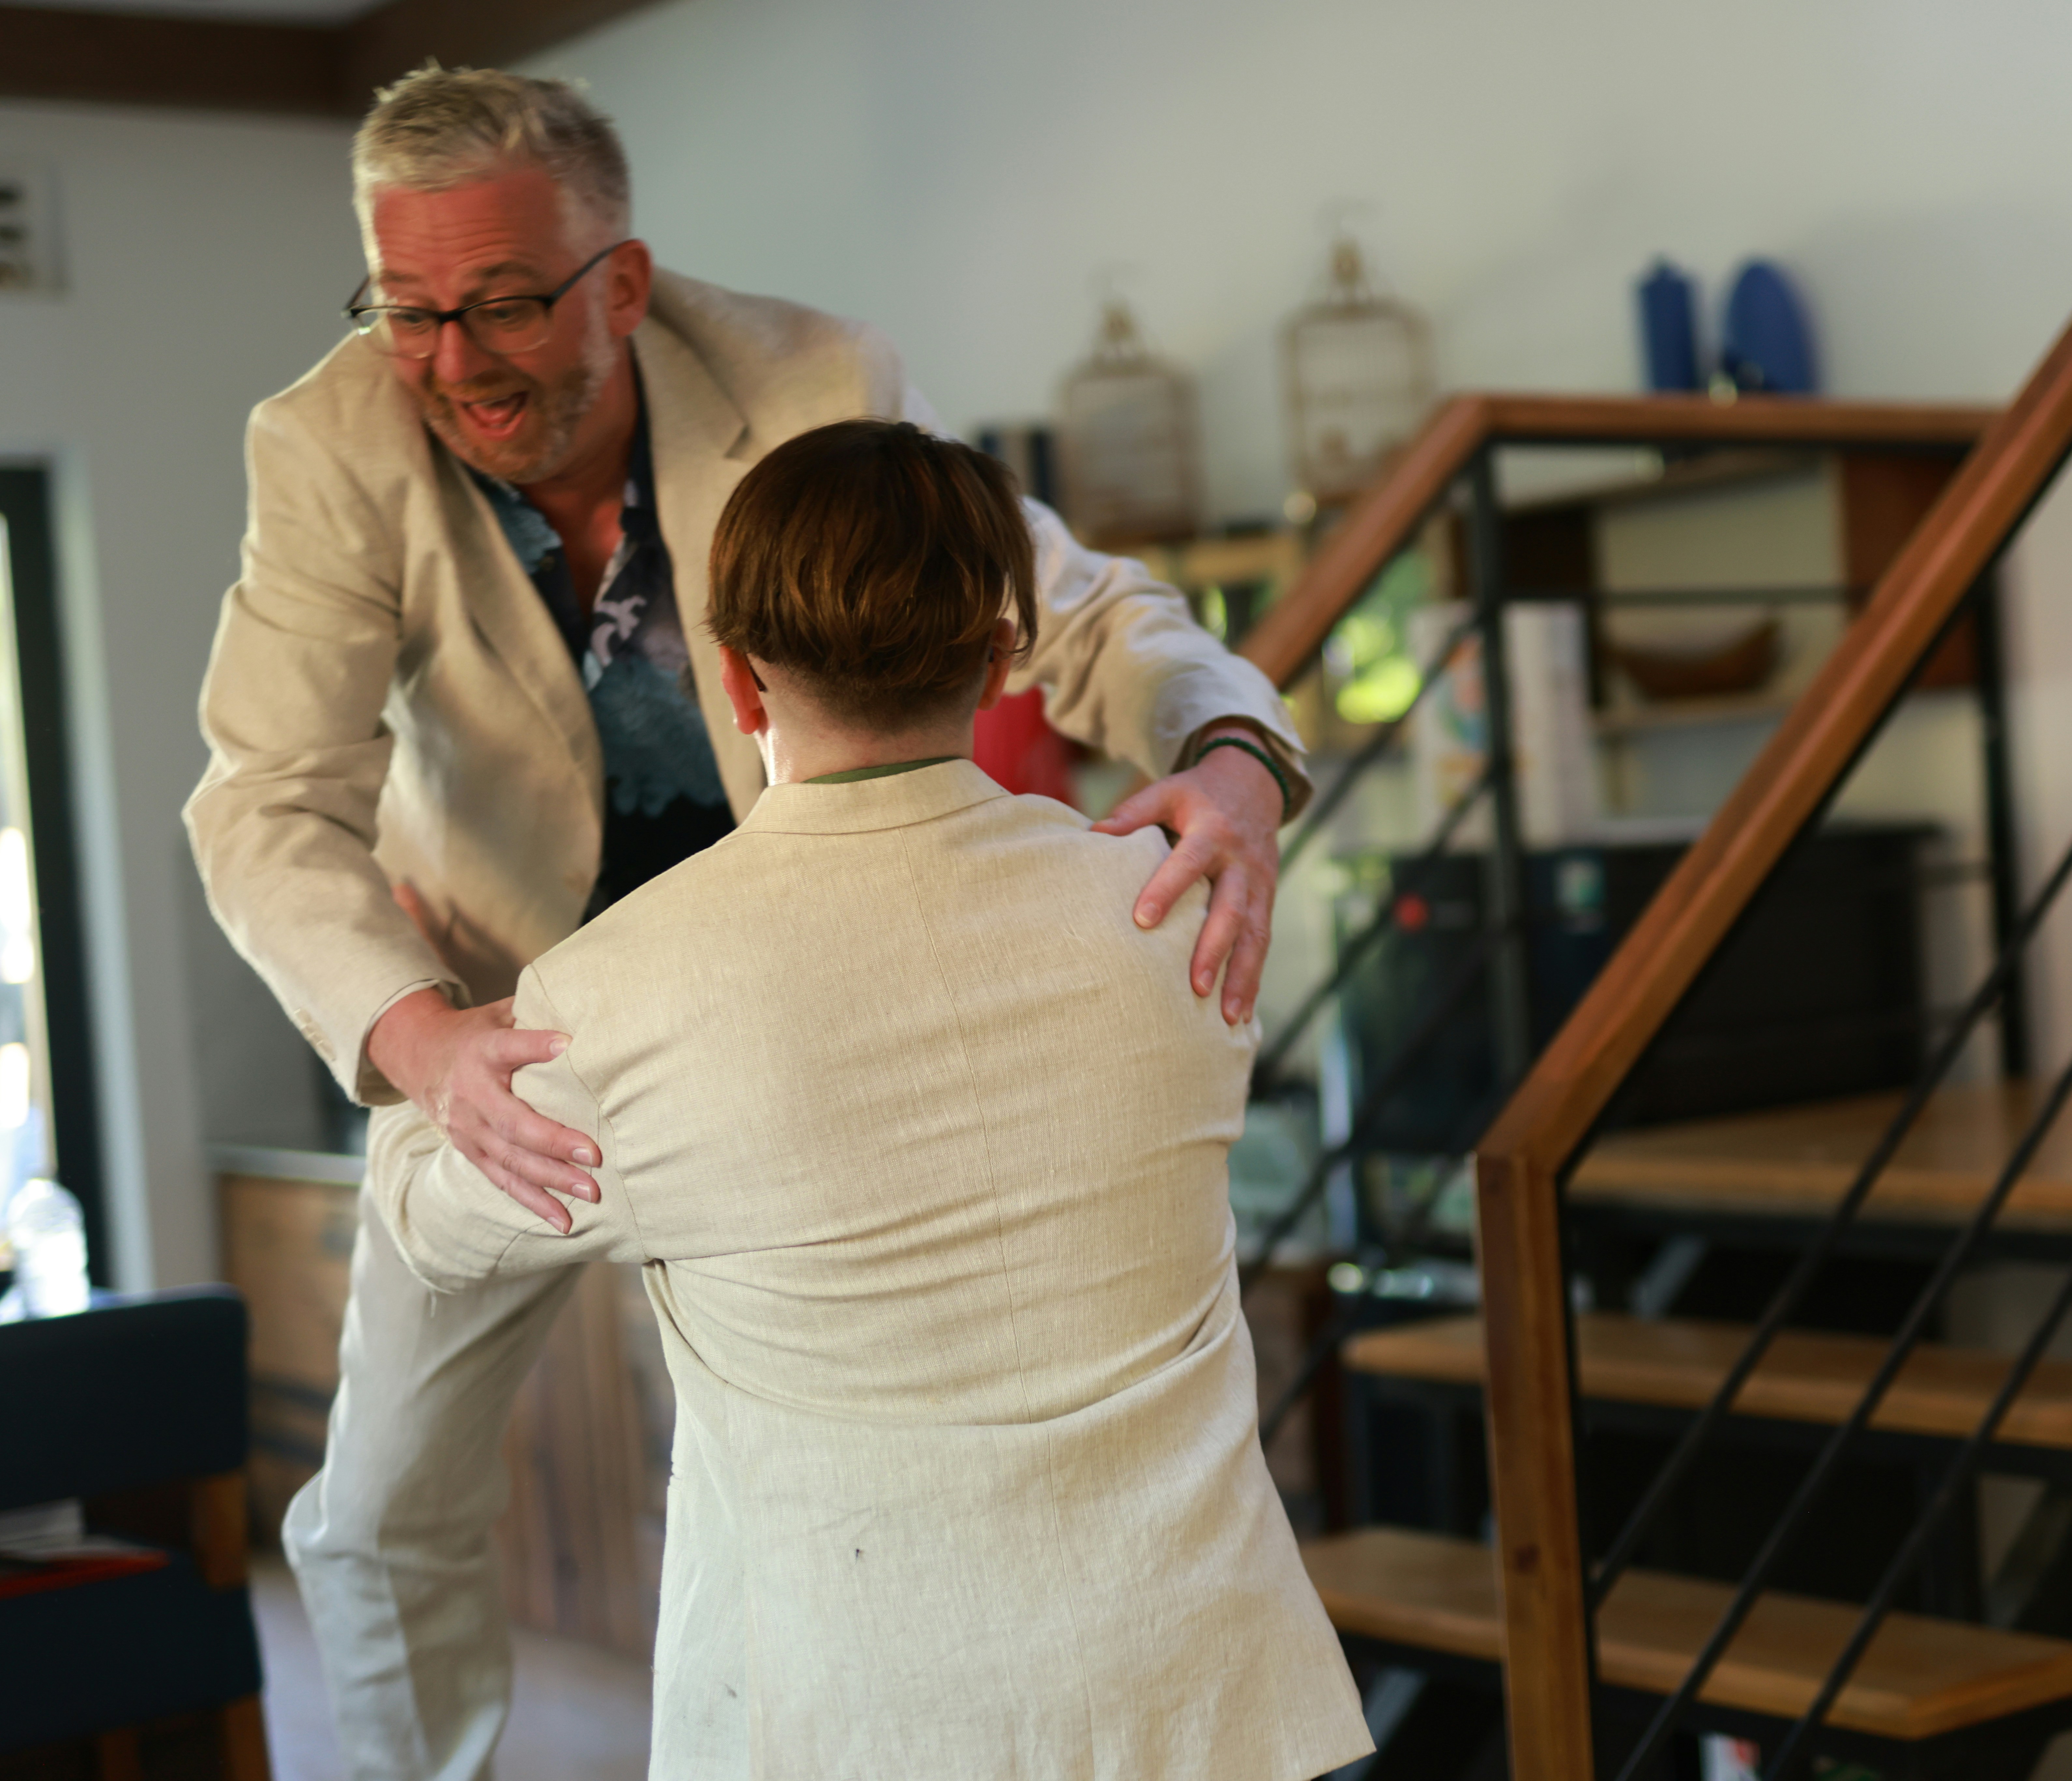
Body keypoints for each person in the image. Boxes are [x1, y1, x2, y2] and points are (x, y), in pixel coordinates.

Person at [184, 67, 1312, 1781]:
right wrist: (417, 1034)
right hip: (513, 1020)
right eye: (409, 309)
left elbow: (1074, 608)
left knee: (847, 1453)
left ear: (620, 284)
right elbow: (267, 797)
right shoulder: (329, 442)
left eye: (503, 302)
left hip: (808, 970)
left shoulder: (813, 377)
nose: (456, 360)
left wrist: (1230, 756)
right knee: (380, 1495)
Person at [363, 418, 1367, 1780]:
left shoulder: (611, 1001)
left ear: (735, 678)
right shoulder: (1181, 918)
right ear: (1001, 656)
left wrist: (432, 1022)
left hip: (849, 1729)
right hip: (1204, 1708)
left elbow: (432, 1221)